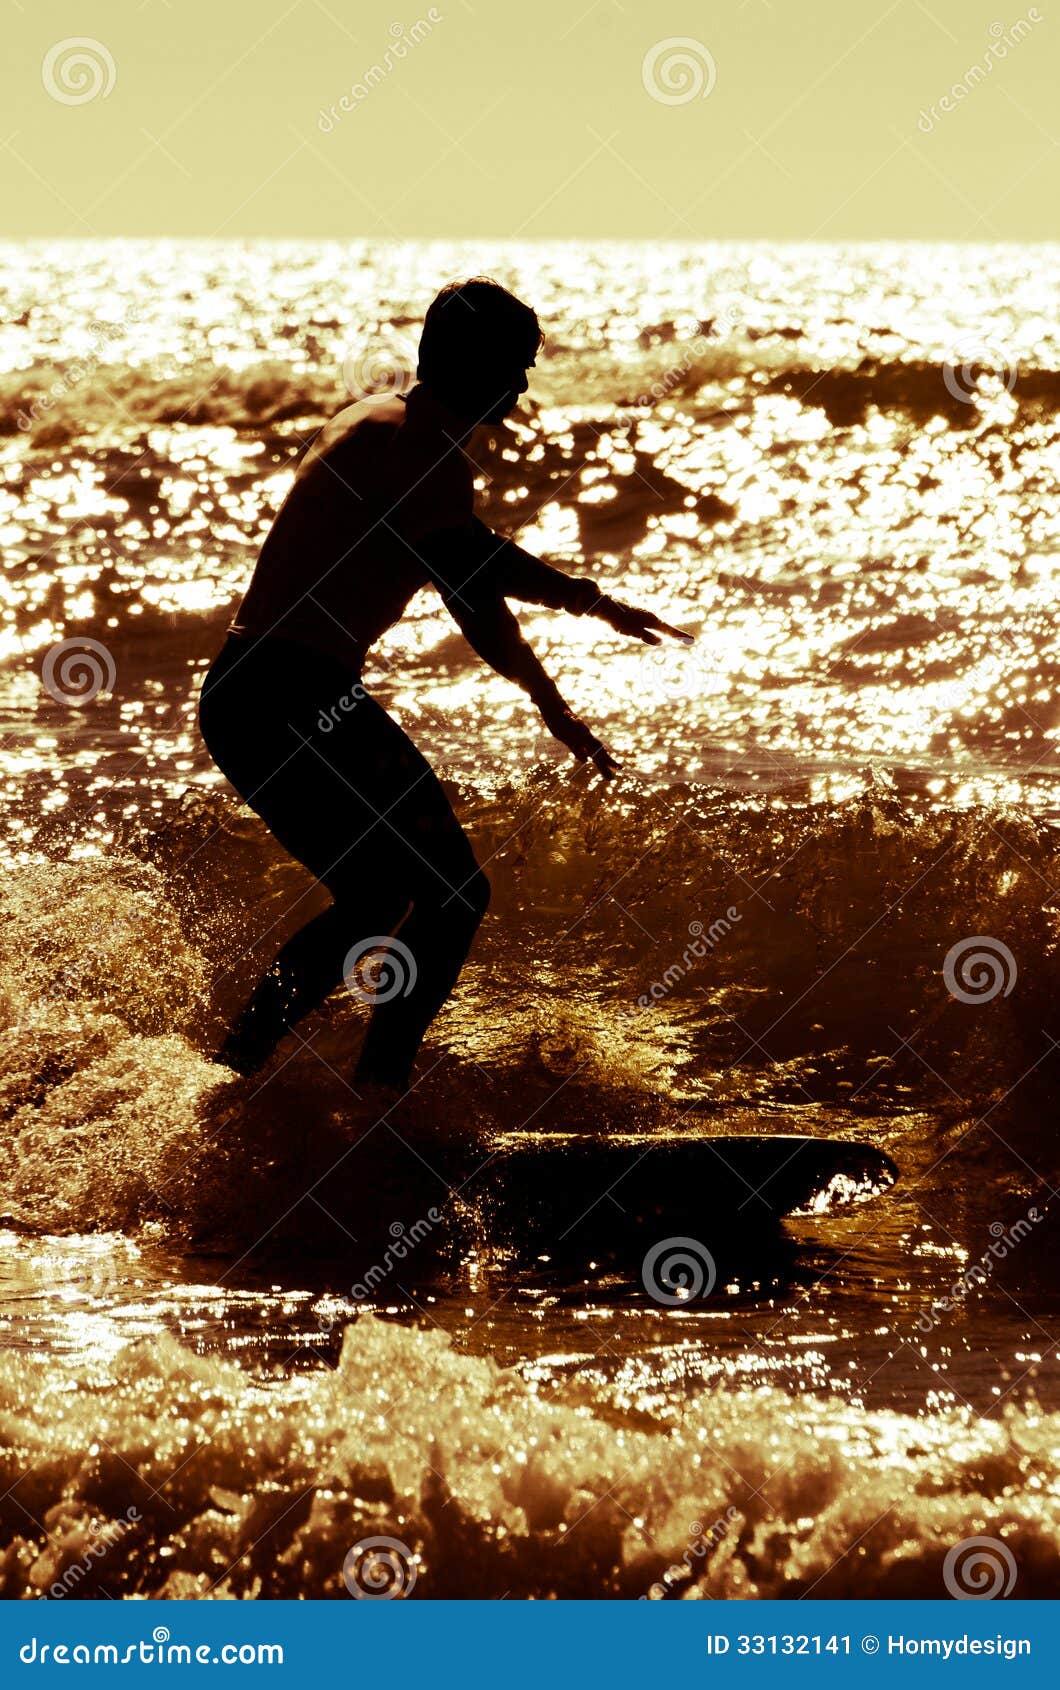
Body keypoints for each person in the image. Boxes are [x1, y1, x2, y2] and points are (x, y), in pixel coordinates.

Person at [198, 277, 690, 1094]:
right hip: (293, 692)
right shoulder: (418, 446)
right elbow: (469, 566)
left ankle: (229, 1079)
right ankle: (379, 1092)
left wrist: (547, 698)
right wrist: (589, 601)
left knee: (375, 895)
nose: (523, 386)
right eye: (515, 365)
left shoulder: (378, 423)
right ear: (469, 360)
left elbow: (469, 593)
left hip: (248, 695)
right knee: (452, 892)